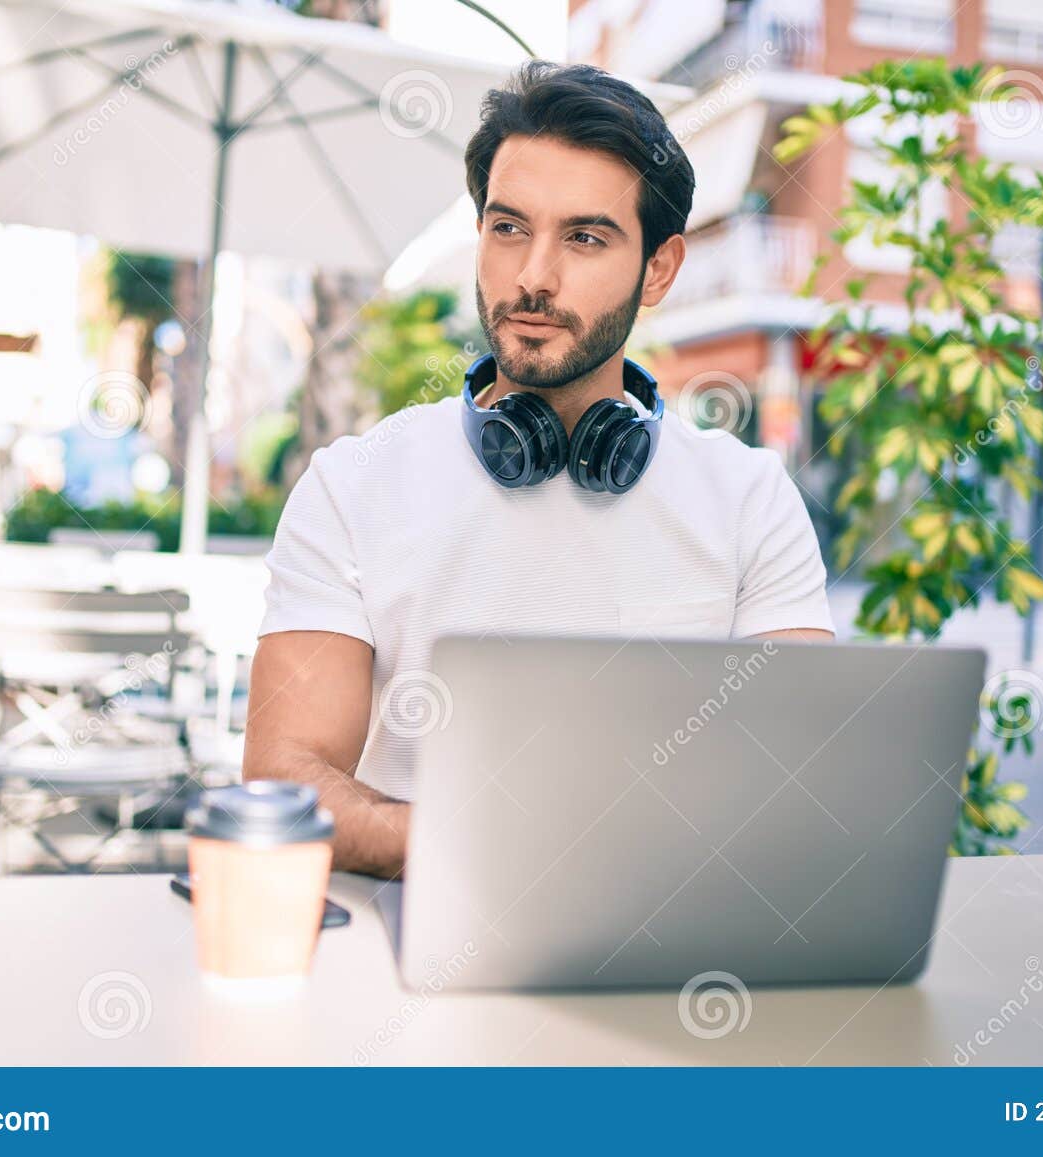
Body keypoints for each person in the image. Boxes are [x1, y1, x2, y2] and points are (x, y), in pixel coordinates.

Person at [243, 61, 834, 880]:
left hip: (663, 959)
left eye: (585, 238)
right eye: (508, 227)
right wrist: (495, 851)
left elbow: (797, 781)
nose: (532, 276)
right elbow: (286, 778)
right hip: (401, 945)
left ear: (659, 269)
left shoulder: (751, 501)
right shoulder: (353, 485)